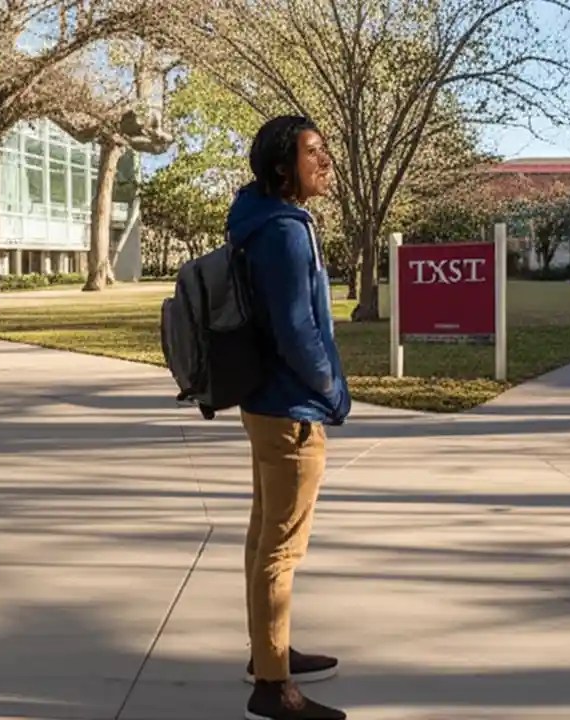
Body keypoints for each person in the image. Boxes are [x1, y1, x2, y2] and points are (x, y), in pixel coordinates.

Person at [225, 115, 352, 720]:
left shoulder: (258, 219)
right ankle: (273, 688)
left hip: (265, 402)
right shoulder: (284, 232)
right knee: (280, 548)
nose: (325, 160)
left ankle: (268, 653)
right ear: (283, 167)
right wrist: (334, 391)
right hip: (291, 409)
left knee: (263, 537)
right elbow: (299, 330)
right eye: (312, 152)